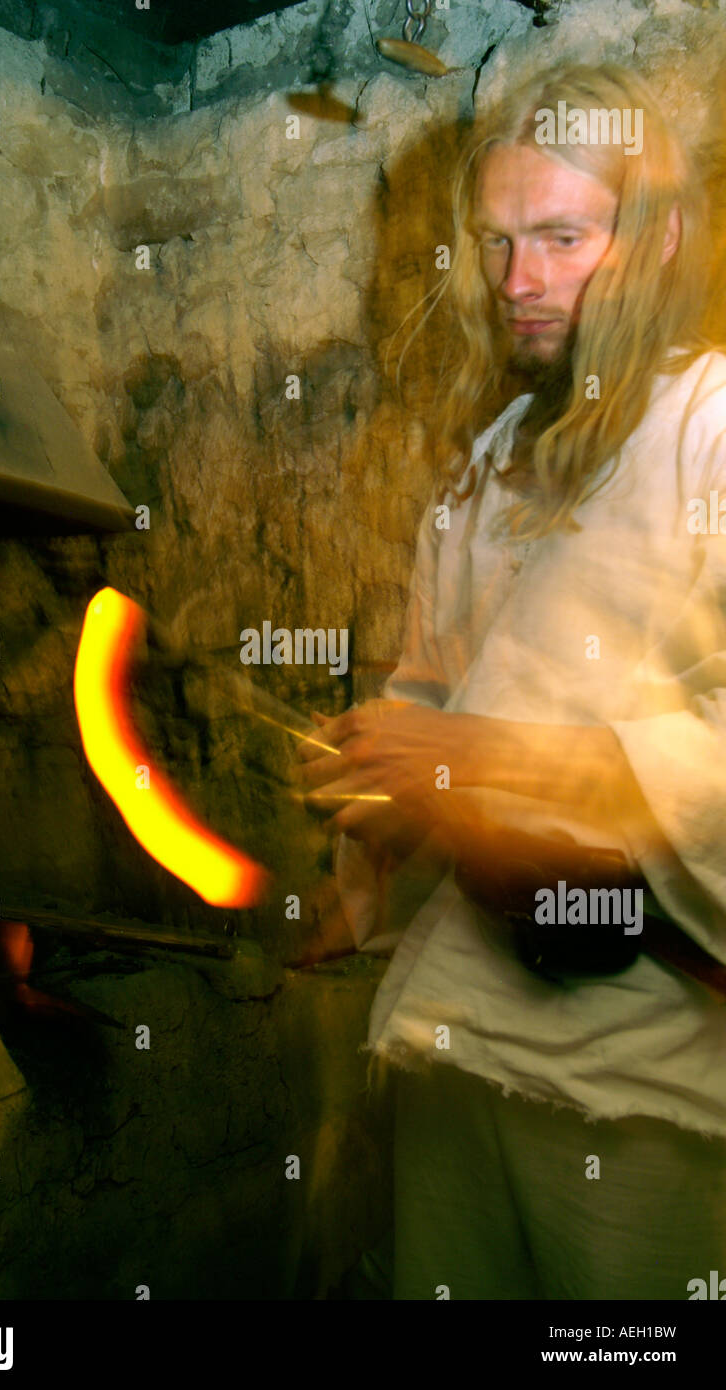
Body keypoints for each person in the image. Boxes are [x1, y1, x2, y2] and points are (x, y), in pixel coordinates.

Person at [299, 61, 726, 1300]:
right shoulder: (495, 459)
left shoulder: (709, 423)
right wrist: (367, 850)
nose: (518, 281)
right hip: (458, 1025)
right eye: (496, 242)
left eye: (560, 237)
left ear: (657, 235)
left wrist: (476, 758)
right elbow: (438, 682)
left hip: (644, 1073)